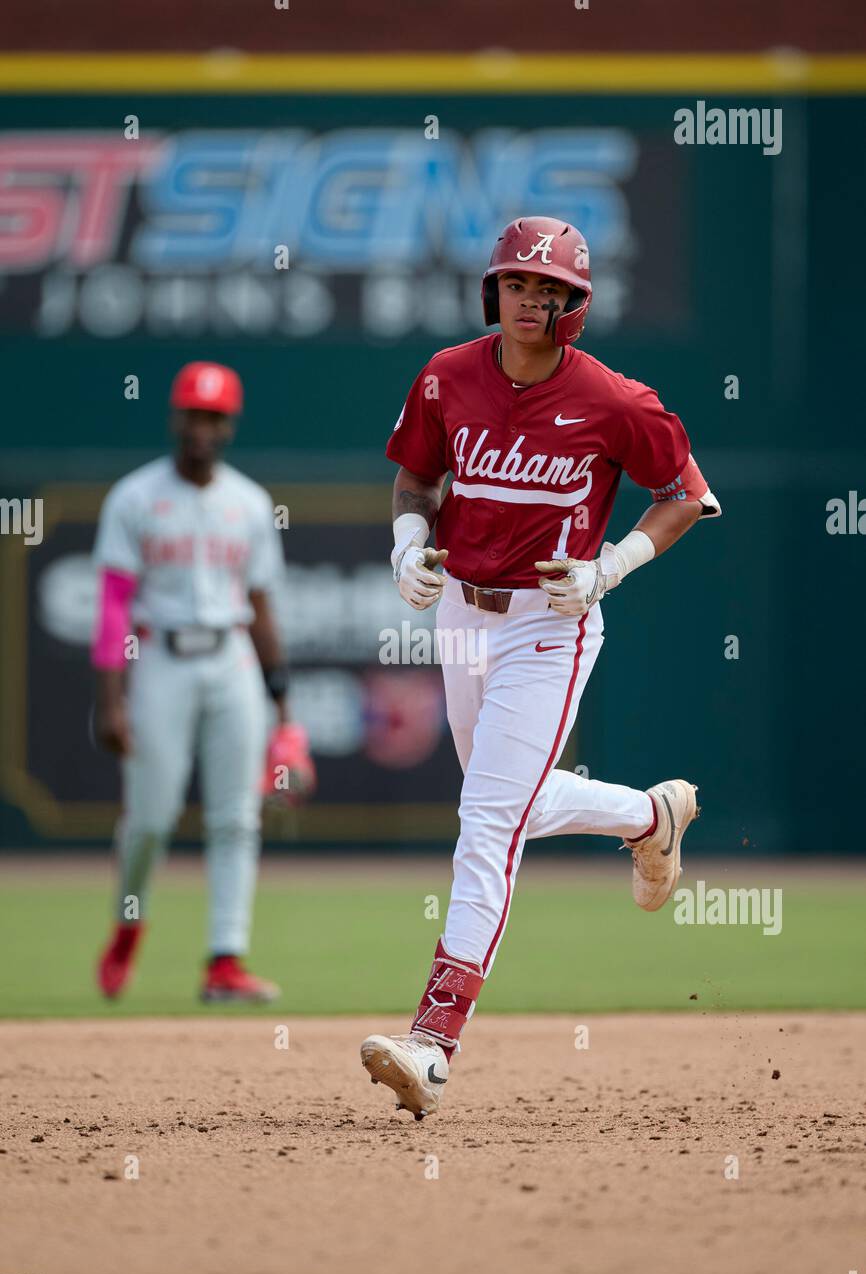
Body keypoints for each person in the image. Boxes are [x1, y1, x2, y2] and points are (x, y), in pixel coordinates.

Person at [361, 216, 721, 1118]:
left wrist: (610, 569)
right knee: (507, 797)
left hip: (549, 625)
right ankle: (650, 815)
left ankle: (432, 1045)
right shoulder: (448, 375)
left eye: (551, 290)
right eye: (520, 284)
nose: (533, 300)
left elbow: (686, 495)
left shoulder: (613, 400)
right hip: (463, 613)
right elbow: (416, 477)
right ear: (495, 291)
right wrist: (410, 544)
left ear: (575, 307)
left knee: (486, 817)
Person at [91, 360, 312, 1003]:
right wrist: (109, 701)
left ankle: (224, 962)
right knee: (151, 820)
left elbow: (264, 607)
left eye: (214, 417)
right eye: (193, 413)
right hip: (160, 657)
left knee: (237, 818)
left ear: (229, 425)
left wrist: (285, 712)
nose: (202, 427)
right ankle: (129, 924)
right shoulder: (135, 497)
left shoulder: (248, 502)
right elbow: (112, 606)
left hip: (232, 658)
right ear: (175, 417)